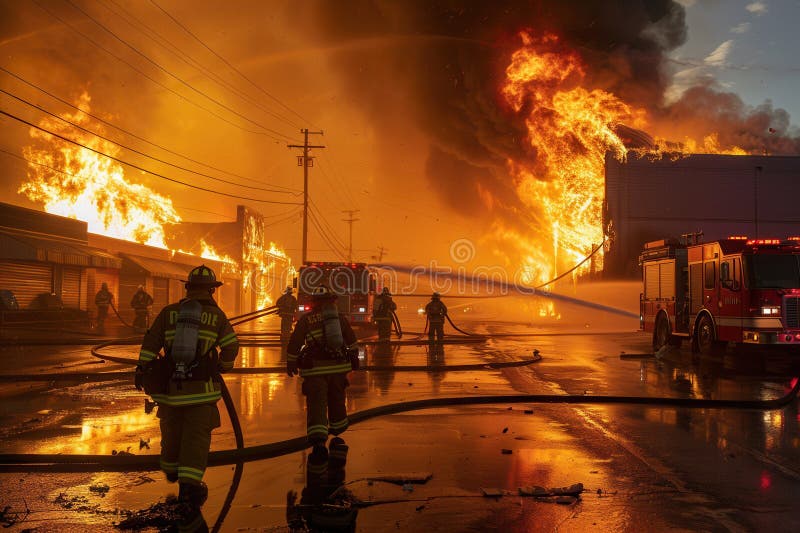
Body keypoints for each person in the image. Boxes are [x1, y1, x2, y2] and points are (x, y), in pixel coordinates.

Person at [134, 264, 239, 510]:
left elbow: (150, 344)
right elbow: (231, 345)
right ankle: (190, 487)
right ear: (212, 290)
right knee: (196, 438)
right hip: (201, 393)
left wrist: (142, 369)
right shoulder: (217, 316)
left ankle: (171, 469)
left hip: (171, 391)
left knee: (171, 431)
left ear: (188, 288)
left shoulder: (169, 312)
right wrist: (223, 366)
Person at [286, 286, 359, 453]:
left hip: (315, 370)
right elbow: (351, 340)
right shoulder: (339, 318)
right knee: (337, 398)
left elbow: (295, 342)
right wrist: (354, 357)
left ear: (314, 302)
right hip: (337, 368)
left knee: (317, 403)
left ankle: (318, 439)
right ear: (332, 300)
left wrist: (291, 362)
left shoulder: (306, 320)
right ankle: (338, 428)